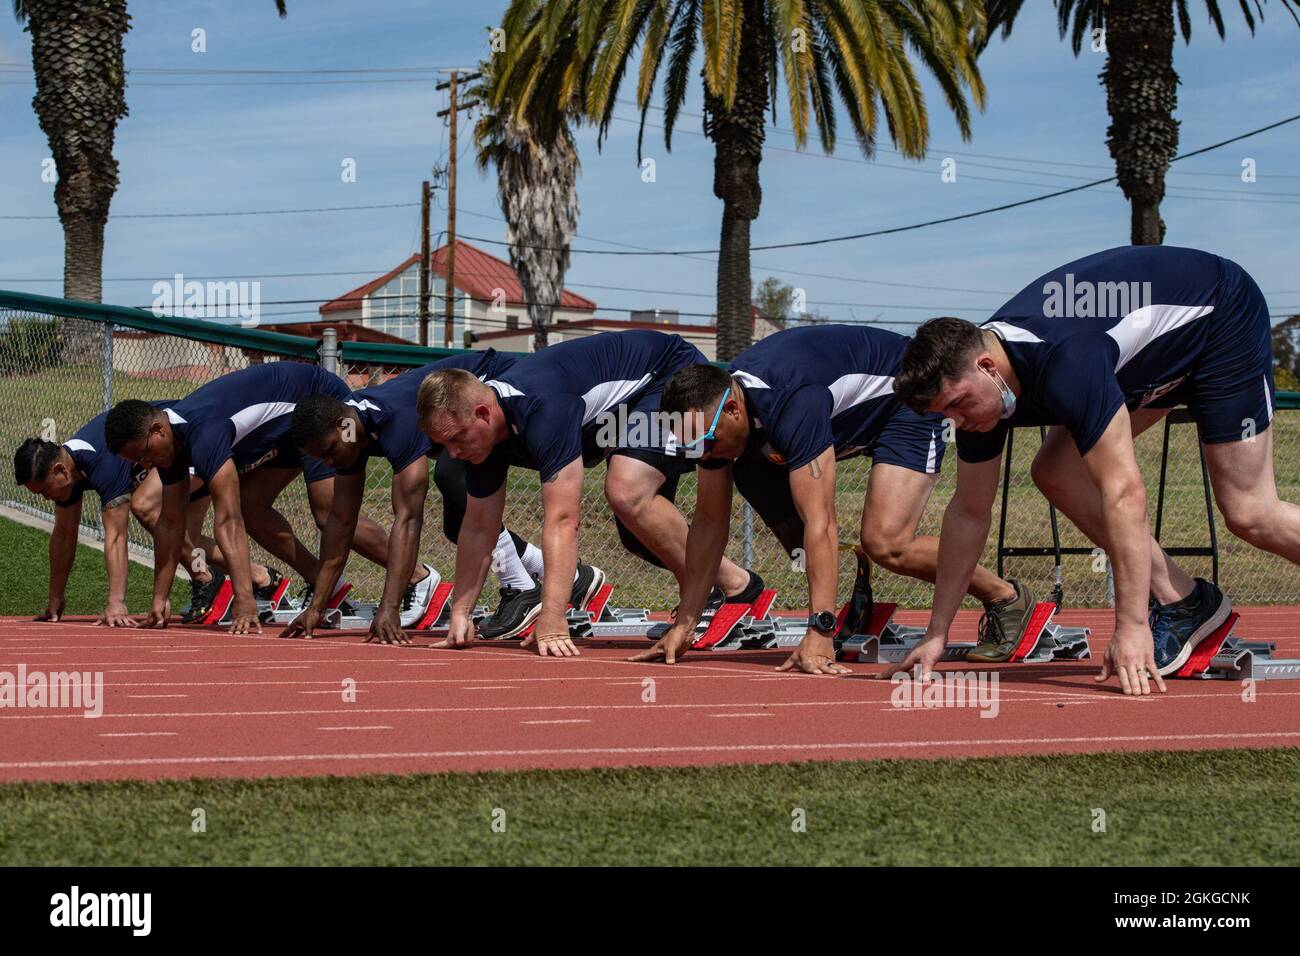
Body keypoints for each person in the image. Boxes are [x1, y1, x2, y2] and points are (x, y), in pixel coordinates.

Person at [892, 245, 1296, 696]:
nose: (958, 422)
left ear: (987, 366)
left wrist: (1131, 626)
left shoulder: (1066, 361)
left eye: (957, 405)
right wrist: (937, 633)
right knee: (1056, 470)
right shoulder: (981, 393)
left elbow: (1123, 490)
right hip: (1148, 356)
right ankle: (1185, 602)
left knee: (1250, 512)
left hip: (1220, 316)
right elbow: (969, 512)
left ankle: (1165, 608)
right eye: (945, 414)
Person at [634, 324, 1031, 674]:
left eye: (707, 443)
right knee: (759, 482)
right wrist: (685, 623)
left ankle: (1006, 597)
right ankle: (844, 599)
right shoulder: (716, 421)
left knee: (887, 543)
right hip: (843, 417)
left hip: (903, 405)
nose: (704, 455)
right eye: (693, 449)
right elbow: (708, 523)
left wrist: (820, 631)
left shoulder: (790, 402)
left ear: (734, 409)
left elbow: (820, 521)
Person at [417, 330, 764, 657]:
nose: (453, 453)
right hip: (616, 410)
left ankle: (727, 590)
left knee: (627, 490)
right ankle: (733, 586)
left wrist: (552, 619)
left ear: (482, 414)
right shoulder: (484, 435)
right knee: (635, 535)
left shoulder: (542, 408)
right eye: (444, 444)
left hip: (666, 376)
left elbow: (564, 520)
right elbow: (479, 526)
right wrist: (461, 613)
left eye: (457, 438)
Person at [284, 351, 604, 645]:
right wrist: (317, 607)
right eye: (319, 457)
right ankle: (566, 575)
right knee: (455, 525)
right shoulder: (349, 435)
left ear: (345, 426)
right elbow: (340, 521)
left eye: (328, 451)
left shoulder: (394, 420)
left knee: (451, 478)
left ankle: (519, 586)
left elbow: (409, 519)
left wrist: (390, 606)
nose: (327, 463)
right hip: (454, 422)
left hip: (486, 392)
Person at [104, 361, 427, 634]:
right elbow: (171, 524)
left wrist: (245, 599)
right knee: (253, 505)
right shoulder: (171, 446)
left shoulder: (204, 434)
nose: (144, 466)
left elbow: (228, 521)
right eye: (138, 463)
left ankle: (418, 578)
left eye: (144, 455)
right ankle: (325, 582)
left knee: (329, 513)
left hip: (315, 402)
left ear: (158, 431)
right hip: (275, 428)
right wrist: (160, 598)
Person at [14, 404, 280, 626]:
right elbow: (63, 537)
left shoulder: (98, 463)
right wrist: (55, 598)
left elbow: (117, 536)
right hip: (168, 467)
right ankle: (263, 577)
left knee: (145, 506)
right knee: (190, 540)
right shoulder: (67, 477)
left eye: (44, 491)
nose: (45, 498)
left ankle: (205, 578)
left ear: (59, 471)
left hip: (191, 447)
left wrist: (116, 603)